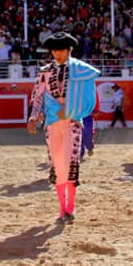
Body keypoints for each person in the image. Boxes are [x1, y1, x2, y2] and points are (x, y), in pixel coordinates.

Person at [27, 32, 101, 224]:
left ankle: (70, 207)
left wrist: (68, 111)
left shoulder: (79, 71)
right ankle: (62, 208)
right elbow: (38, 96)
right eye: (55, 50)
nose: (57, 54)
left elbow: (87, 98)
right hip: (52, 125)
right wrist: (33, 117)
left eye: (61, 50)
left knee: (71, 163)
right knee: (58, 164)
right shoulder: (45, 72)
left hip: (73, 123)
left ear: (69, 50)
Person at [80, 89, 99, 161]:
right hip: (76, 113)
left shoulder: (90, 84)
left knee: (88, 132)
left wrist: (96, 109)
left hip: (88, 113)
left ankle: (90, 147)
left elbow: (95, 96)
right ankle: (80, 153)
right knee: (78, 133)